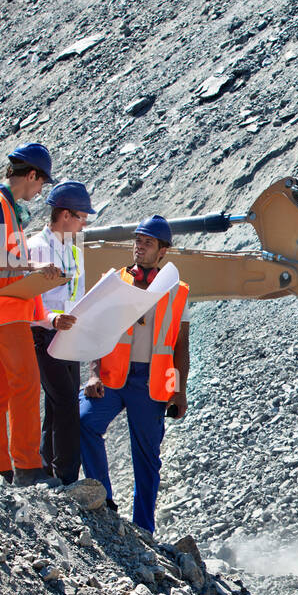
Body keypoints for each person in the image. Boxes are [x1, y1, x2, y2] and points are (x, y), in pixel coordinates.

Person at [79, 215, 190, 532]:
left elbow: (179, 347)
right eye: (137, 241)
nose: (140, 248)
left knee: (147, 460)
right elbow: (97, 332)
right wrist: (93, 374)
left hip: (152, 383)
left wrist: (178, 391)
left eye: (148, 243)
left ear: (163, 251)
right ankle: (104, 502)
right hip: (113, 376)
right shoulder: (114, 281)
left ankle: (144, 528)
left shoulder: (178, 291)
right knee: (85, 420)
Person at [0, 142, 64, 487]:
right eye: (41, 184)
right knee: (26, 383)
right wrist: (33, 264)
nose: (40, 191)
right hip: (4, 308)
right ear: (32, 175)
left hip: (4, 308)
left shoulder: (6, 207)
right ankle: (27, 468)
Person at [28, 180, 94, 485]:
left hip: (68, 336)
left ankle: (48, 469)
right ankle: (67, 478)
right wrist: (53, 321)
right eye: (82, 217)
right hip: (45, 336)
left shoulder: (73, 248)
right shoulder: (36, 249)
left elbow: (75, 292)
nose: (84, 224)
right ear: (65, 215)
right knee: (67, 403)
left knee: (58, 405)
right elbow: (31, 301)